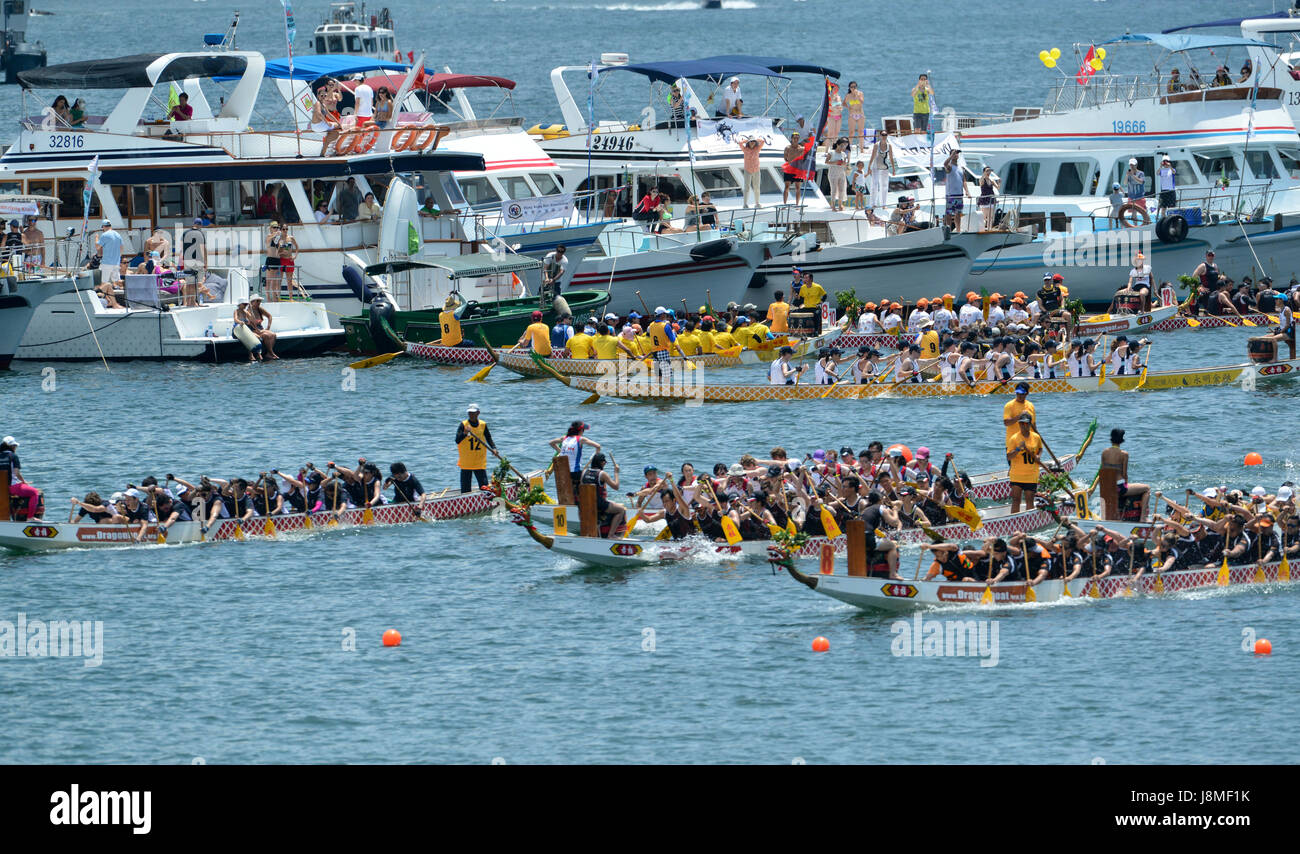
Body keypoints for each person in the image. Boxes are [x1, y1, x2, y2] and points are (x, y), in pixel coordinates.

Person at [1006, 413, 1048, 514]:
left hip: (1031, 475)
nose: (1024, 426)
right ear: (1019, 424)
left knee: (1030, 500)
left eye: (1026, 424)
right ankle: (1014, 521)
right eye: (1022, 424)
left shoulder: (1036, 437)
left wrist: (1038, 456)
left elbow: (1040, 449)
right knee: (1016, 500)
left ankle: (1029, 521)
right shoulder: (1014, 438)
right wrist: (1017, 449)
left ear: (1030, 424)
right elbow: (1008, 456)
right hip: (1017, 475)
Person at [581, 453, 625, 538]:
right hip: (599, 505)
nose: (605, 463)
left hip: (586, 505)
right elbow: (616, 486)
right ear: (601, 462)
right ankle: (611, 535)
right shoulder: (602, 474)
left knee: (612, 502)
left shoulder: (584, 472)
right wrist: (616, 472)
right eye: (604, 462)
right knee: (621, 510)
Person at [456, 404, 496, 493]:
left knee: (484, 487)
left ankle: (488, 503)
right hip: (466, 462)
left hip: (479, 461)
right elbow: (457, 440)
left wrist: (494, 448)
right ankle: (466, 505)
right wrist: (465, 433)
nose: (471, 415)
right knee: (465, 490)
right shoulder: (464, 425)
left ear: (478, 413)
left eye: (473, 413)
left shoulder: (483, 424)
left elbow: (488, 438)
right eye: (469, 413)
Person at [938, 148, 969, 232]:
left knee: (958, 214)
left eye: (957, 153)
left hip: (959, 195)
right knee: (948, 214)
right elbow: (945, 164)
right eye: (954, 153)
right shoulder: (950, 166)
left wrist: (967, 192)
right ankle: (948, 230)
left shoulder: (961, 168)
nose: (956, 154)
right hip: (950, 195)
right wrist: (951, 157)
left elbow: (964, 181)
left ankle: (958, 229)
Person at [738, 137, 765, 209]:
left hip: (756, 170)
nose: (752, 143)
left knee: (757, 187)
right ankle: (745, 204)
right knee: (746, 188)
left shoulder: (757, 149)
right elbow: (740, 143)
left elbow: (762, 141)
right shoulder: (745, 149)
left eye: (753, 142)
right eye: (750, 142)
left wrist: (755, 139)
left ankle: (757, 203)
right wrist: (747, 140)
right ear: (748, 143)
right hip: (747, 170)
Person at [827, 137, 849, 212]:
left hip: (841, 172)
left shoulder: (843, 154)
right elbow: (826, 162)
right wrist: (835, 162)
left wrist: (844, 164)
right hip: (833, 171)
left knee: (841, 189)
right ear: (838, 145)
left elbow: (845, 164)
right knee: (834, 189)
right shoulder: (831, 152)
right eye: (842, 145)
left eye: (845, 146)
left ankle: (840, 205)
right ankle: (833, 205)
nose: (843, 147)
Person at [843, 82, 865, 153]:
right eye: (852, 87)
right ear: (849, 88)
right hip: (852, 115)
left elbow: (862, 102)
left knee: (861, 132)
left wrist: (857, 96)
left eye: (855, 87)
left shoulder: (860, 93)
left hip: (860, 114)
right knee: (851, 132)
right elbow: (844, 103)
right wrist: (849, 108)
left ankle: (862, 149)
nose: (853, 88)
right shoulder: (848, 95)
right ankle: (848, 148)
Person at [977, 166, 999, 230]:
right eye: (987, 171)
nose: (989, 172)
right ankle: (982, 229)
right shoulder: (982, 180)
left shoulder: (991, 180)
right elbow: (981, 181)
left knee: (991, 216)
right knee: (984, 216)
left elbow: (998, 187)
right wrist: (984, 174)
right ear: (984, 172)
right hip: (984, 199)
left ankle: (989, 228)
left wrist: (999, 182)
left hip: (991, 199)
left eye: (989, 171)